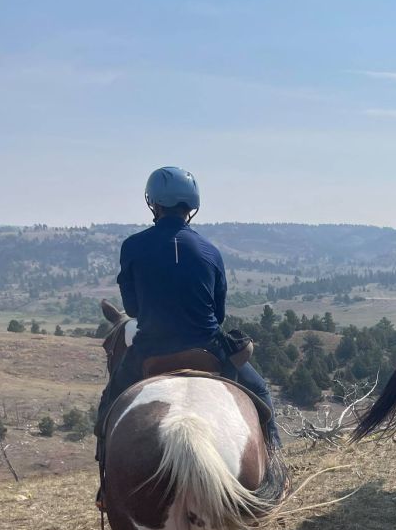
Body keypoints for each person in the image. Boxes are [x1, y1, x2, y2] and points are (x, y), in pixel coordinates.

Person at [95, 167, 281, 500]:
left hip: (150, 351)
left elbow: (133, 309)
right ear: (191, 206)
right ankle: (276, 469)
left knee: (109, 406)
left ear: (153, 205)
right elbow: (219, 312)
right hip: (207, 349)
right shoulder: (210, 251)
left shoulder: (133, 246)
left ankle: (106, 485)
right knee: (261, 393)